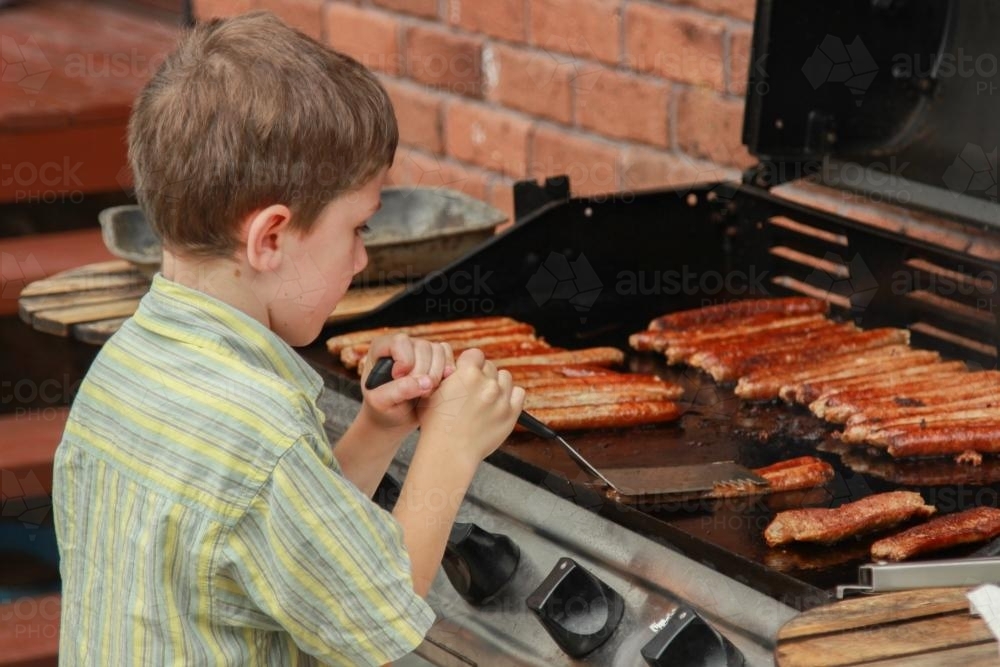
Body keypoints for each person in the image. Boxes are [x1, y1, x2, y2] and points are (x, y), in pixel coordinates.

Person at [51, 11, 524, 666]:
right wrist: (451, 446)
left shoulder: (124, 368)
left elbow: (289, 546)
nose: (361, 260)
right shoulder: (260, 434)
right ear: (270, 237)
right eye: (357, 228)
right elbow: (374, 616)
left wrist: (378, 430)